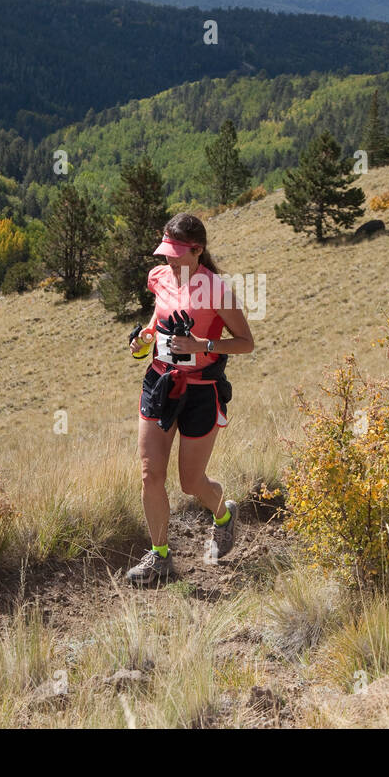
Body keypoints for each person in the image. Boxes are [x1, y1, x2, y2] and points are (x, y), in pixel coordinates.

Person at [126, 212, 255, 586]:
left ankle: (223, 514)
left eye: (177, 252)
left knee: (191, 483)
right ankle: (160, 557)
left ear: (197, 251)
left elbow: (246, 342)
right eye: (166, 251)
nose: (169, 259)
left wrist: (204, 345)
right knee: (151, 476)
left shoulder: (216, 289)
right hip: (160, 384)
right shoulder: (158, 278)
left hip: (201, 391)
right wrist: (143, 341)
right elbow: (156, 322)